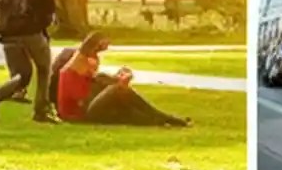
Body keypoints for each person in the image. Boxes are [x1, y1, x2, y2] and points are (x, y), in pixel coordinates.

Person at [56, 32, 189, 126]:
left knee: (127, 111)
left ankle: (163, 120)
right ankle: (166, 119)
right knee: (118, 90)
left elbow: (101, 85)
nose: (93, 69)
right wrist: (117, 85)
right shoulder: (69, 73)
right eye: (90, 65)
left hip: (89, 110)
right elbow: (83, 101)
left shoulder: (88, 76)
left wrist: (119, 78)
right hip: (81, 116)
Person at [0, 0, 57, 123]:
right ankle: (41, 110)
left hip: (9, 37)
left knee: (23, 76)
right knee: (44, 68)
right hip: (31, 33)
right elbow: (49, 12)